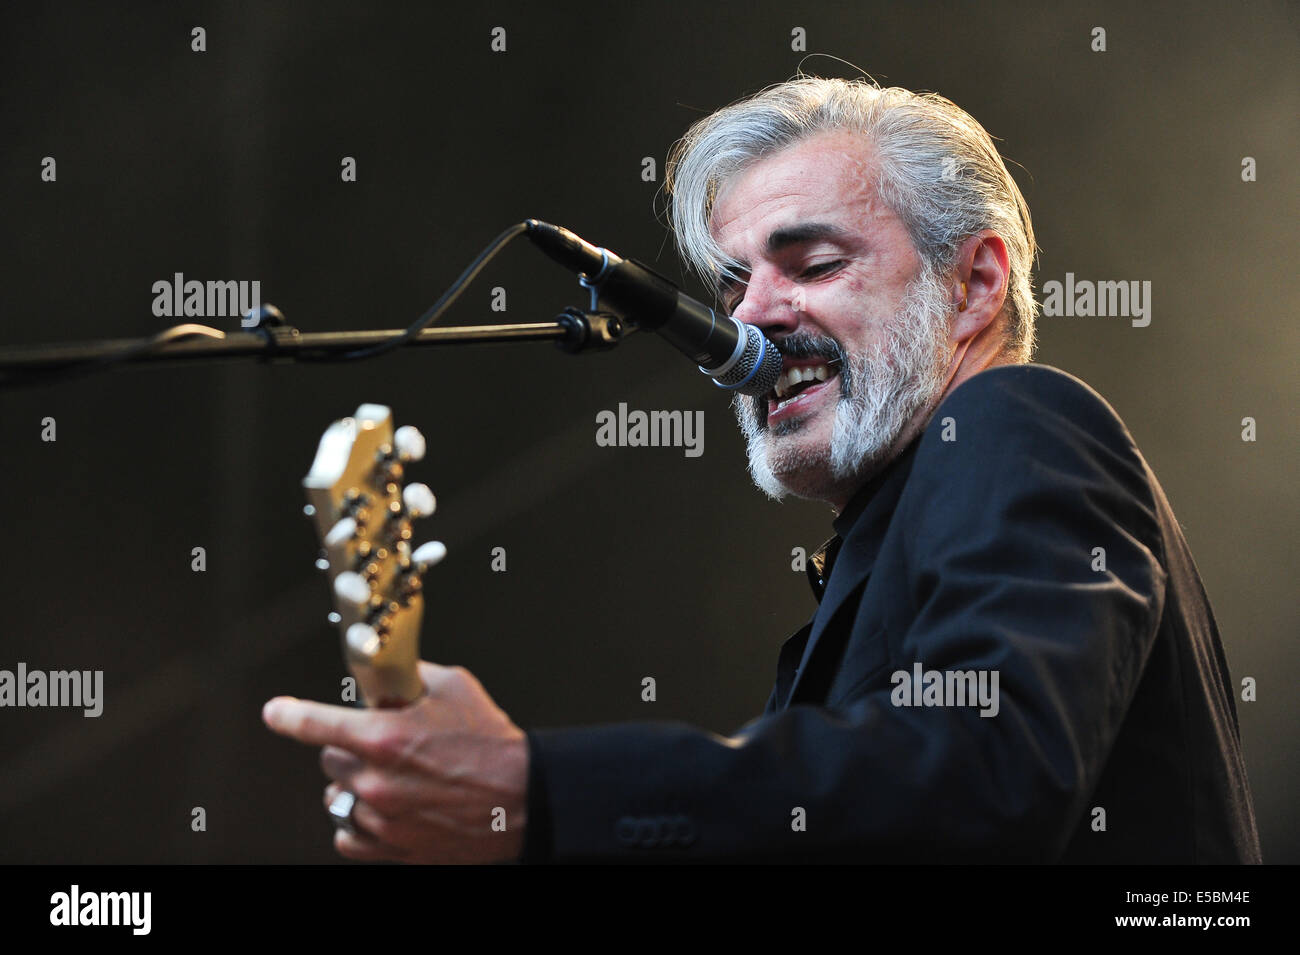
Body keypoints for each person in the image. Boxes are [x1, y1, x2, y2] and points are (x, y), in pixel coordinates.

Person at [262, 76, 1261, 863]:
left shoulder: (1015, 419)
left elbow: (984, 777)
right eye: (733, 283)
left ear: (974, 284)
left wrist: (541, 788)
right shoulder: (868, 559)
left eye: (812, 263)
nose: (746, 319)